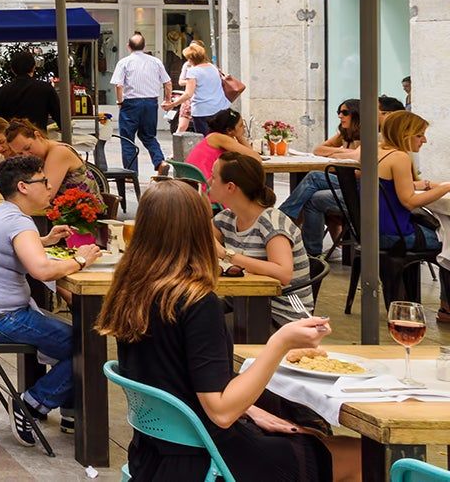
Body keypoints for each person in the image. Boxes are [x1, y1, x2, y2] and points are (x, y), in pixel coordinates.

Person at [97, 179, 358, 482]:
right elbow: (220, 411)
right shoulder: (195, 301)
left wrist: (252, 411)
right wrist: (281, 342)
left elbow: (181, 382)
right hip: (208, 457)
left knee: (306, 431)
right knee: (363, 456)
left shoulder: (130, 290)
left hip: (154, 455)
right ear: (199, 231)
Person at [0, 154, 100, 443]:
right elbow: (41, 269)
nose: (50, 188)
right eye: (44, 182)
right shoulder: (19, 224)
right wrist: (81, 261)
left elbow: (16, 249)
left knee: (77, 340)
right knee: (87, 345)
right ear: (23, 187)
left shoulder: (0, 213)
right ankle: (33, 401)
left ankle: (68, 412)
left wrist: (44, 241)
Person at [209, 152, 312, 326]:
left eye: (213, 177)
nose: (208, 182)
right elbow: (197, 240)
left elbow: (283, 273)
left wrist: (227, 255)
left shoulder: (272, 223)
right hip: (242, 303)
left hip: (282, 316)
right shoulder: (227, 218)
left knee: (200, 331)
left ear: (230, 187)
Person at [377, 111, 450, 317]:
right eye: (420, 135)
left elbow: (393, 185)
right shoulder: (400, 157)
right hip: (396, 233)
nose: (424, 140)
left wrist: (428, 184)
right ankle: (447, 306)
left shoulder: (380, 152)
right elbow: (409, 201)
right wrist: (445, 187)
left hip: (375, 229)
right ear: (405, 133)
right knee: (448, 242)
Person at [280, 98, 359, 259]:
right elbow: (318, 150)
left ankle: (283, 218)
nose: (340, 116)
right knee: (312, 195)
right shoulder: (344, 134)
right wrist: (339, 153)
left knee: (314, 177)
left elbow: (358, 158)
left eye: (345, 112)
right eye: (339, 112)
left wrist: (336, 153)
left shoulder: (371, 135)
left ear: (356, 114)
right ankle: (312, 253)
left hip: (358, 184)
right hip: (344, 180)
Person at [110, 32, 173, 176]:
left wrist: (120, 102)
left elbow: (119, 85)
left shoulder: (124, 62)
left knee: (127, 139)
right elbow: (167, 83)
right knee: (148, 136)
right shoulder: (155, 61)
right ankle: (159, 161)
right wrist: (167, 100)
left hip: (131, 103)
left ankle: (131, 172)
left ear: (128, 47)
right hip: (151, 102)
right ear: (144, 46)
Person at [5, 119, 93, 196]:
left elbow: (46, 194)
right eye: (20, 153)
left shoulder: (58, 152)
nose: (26, 155)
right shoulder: (42, 155)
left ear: (38, 135)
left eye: (28, 148)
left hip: (85, 212)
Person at [164, 41, 230, 135]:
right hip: (219, 108)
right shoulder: (213, 67)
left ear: (192, 59)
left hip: (202, 111)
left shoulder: (193, 71)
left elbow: (188, 94)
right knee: (219, 137)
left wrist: (173, 104)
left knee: (205, 140)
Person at [0, 49, 60, 130]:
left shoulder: (2, 91)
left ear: (12, 69)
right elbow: (59, 116)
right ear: (33, 67)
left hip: (12, 139)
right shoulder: (45, 88)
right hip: (38, 138)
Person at [183, 108, 256, 182]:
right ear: (229, 130)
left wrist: (238, 133)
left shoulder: (215, 137)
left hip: (194, 181)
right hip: (202, 184)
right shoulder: (220, 138)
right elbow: (255, 158)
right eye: (240, 125)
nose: (244, 127)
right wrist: (239, 136)